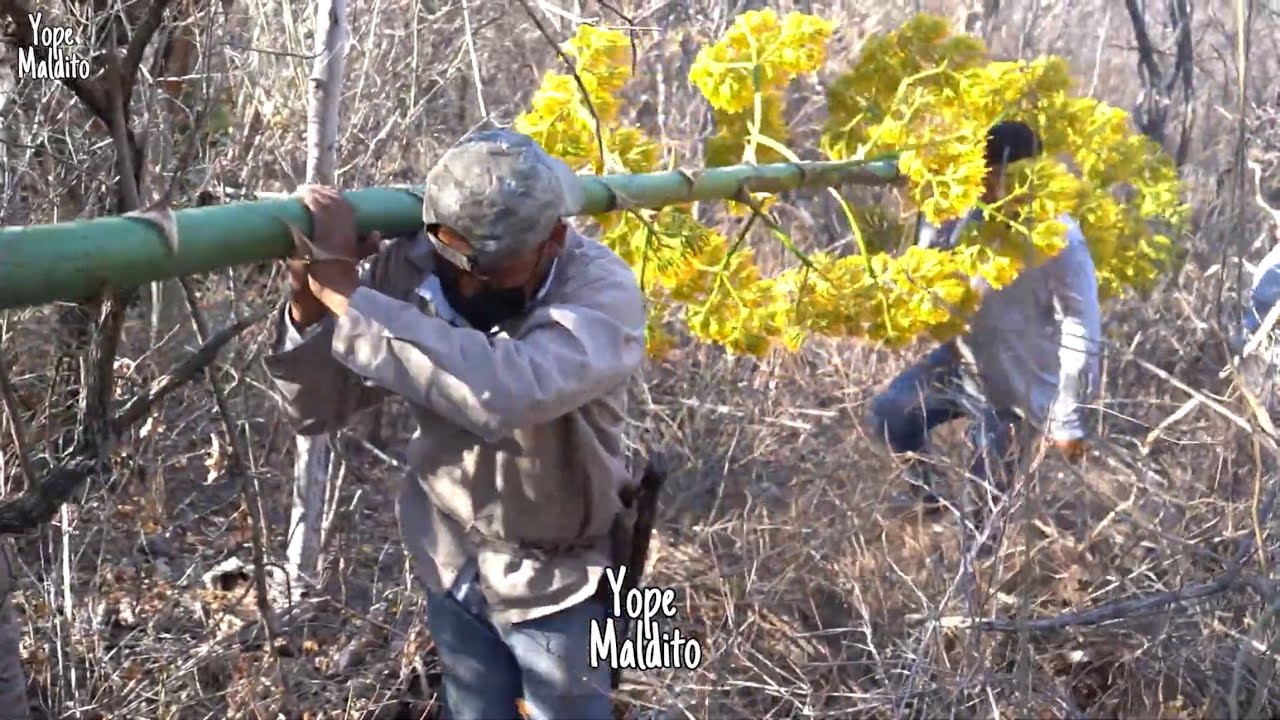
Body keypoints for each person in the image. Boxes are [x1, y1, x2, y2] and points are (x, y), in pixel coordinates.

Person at [262, 128, 648, 720]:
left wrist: (351, 297)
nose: (467, 283)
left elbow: (504, 390)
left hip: (561, 581)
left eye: (492, 270)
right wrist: (311, 303)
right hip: (453, 561)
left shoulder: (599, 293)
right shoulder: (422, 264)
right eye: (456, 262)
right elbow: (316, 409)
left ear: (553, 239)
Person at [867, 120, 1104, 519]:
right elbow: (929, 267)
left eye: (1001, 175)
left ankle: (978, 573)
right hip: (962, 364)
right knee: (891, 414)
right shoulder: (964, 215)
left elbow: (1081, 325)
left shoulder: (1060, 236)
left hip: (1019, 389)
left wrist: (1067, 420)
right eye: (986, 173)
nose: (991, 185)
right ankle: (930, 503)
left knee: (985, 506)